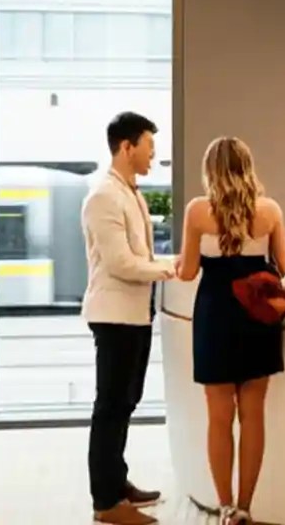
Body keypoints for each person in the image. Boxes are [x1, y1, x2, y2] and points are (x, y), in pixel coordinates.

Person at [174, 137, 285, 525]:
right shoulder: (269, 210)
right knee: (253, 414)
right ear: (248, 166)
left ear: (211, 171)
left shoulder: (197, 211)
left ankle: (224, 508)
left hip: (215, 317)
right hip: (256, 317)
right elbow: (284, 266)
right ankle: (245, 507)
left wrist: (181, 260)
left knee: (219, 417)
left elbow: (188, 272)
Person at [81, 111, 177, 525]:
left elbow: (142, 257)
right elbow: (121, 263)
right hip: (114, 315)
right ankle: (106, 503)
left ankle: (118, 484)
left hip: (135, 314)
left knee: (125, 403)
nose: (152, 156)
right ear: (126, 147)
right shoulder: (104, 195)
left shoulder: (130, 193)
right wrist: (169, 269)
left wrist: (166, 263)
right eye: (148, 147)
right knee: (111, 408)